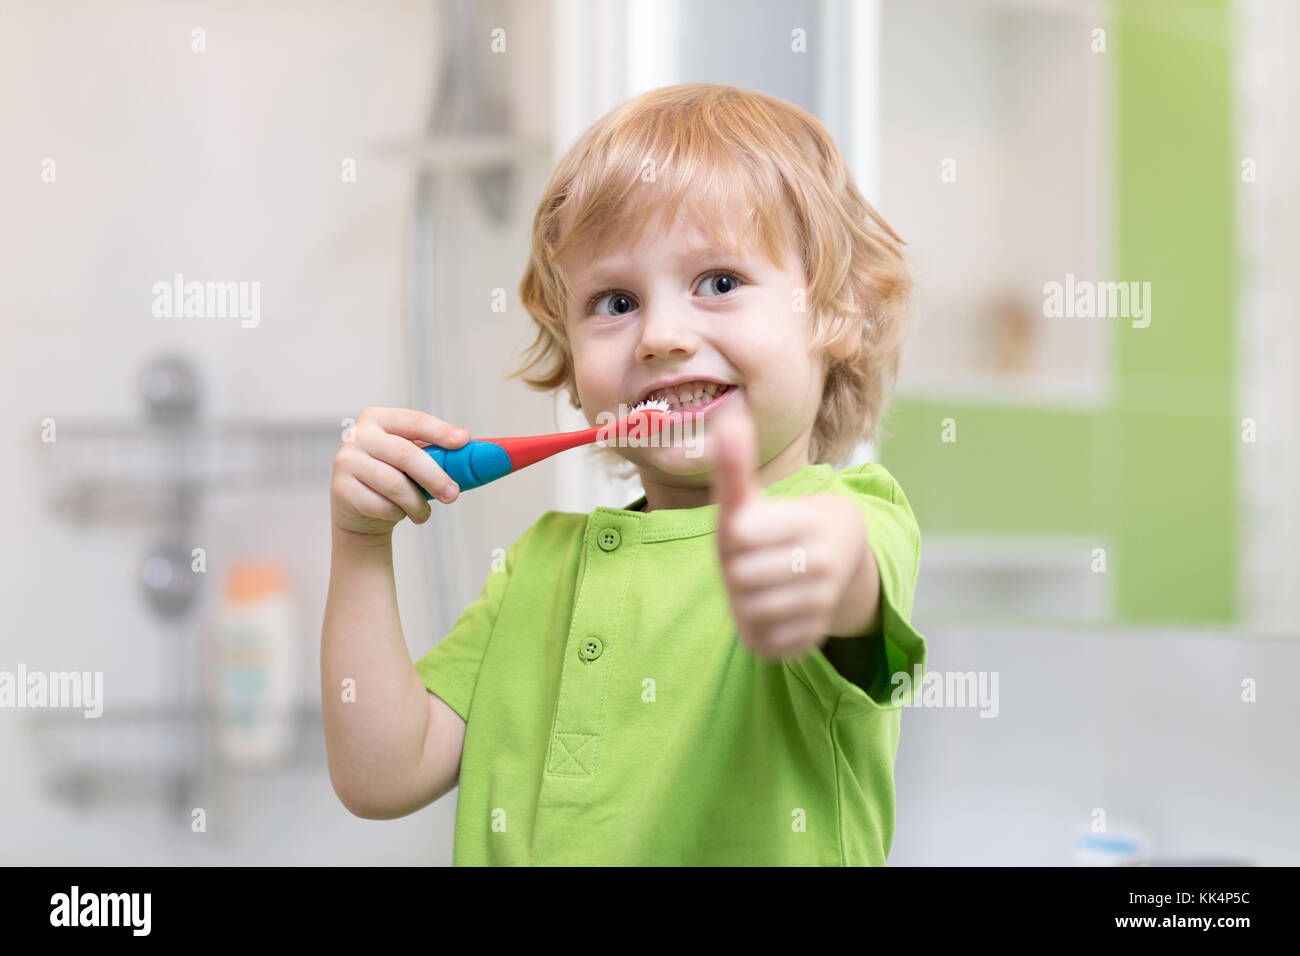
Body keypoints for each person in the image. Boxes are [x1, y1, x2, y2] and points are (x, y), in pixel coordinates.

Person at [322, 82, 925, 865]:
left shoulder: (850, 514)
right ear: (573, 363)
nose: (662, 335)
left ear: (836, 310)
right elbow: (380, 775)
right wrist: (361, 544)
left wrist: (820, 557)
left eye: (718, 282)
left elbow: (849, 572)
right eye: (614, 301)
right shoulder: (540, 565)